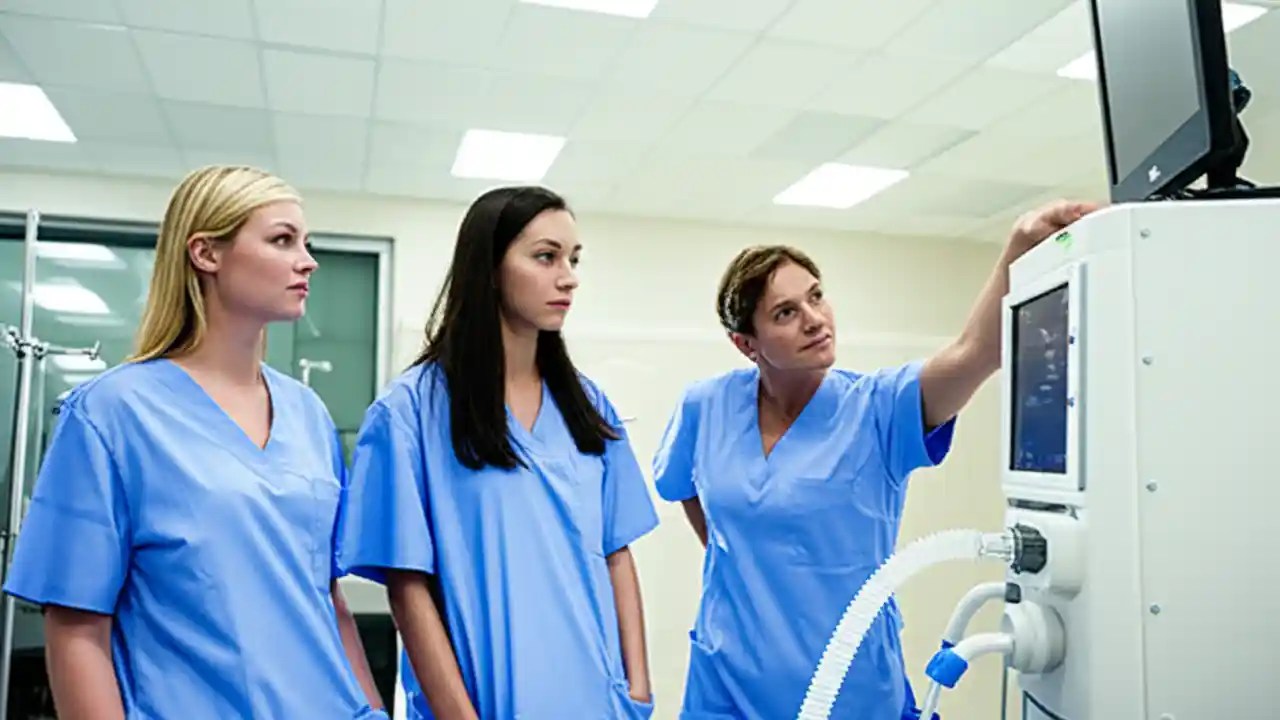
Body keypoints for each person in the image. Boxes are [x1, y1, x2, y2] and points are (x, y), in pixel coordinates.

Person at [652, 200, 1098, 719]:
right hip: (724, 678)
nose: (815, 319)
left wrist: (1016, 250)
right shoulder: (706, 406)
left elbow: (976, 351)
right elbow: (681, 482)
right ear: (745, 344)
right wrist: (740, 555)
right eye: (785, 313)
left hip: (846, 685)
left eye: (816, 296)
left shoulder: (878, 409)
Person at [2, 165, 386, 719]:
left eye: (306, 242)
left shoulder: (307, 415)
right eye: (282, 240)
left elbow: (326, 598)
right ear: (206, 253)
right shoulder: (114, 413)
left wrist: (371, 711)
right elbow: (77, 627)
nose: (308, 260)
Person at [338, 185, 660, 720]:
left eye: (573, 259)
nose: (568, 276)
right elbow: (407, 586)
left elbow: (617, 553)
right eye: (546, 256)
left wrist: (639, 692)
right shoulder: (410, 414)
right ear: (488, 267)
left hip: (598, 703)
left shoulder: (586, 405)